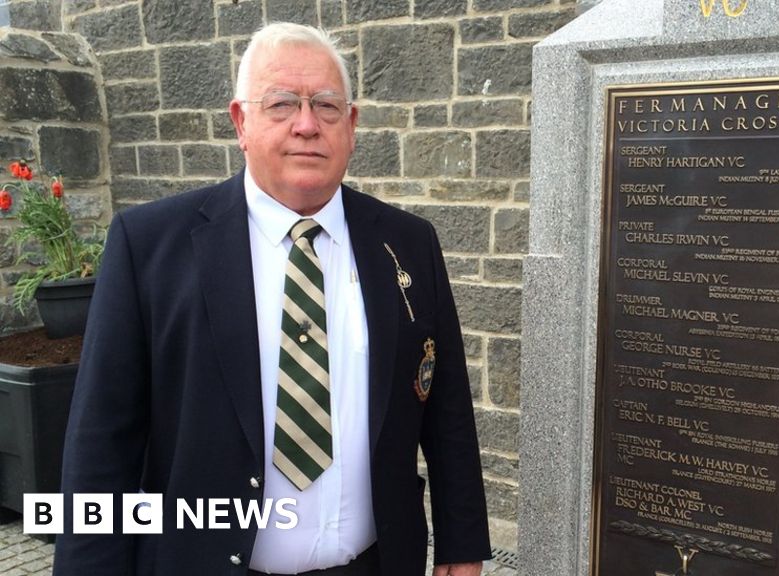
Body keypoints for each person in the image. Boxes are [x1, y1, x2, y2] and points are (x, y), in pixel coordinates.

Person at [53, 22, 490, 576]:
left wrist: (462, 541)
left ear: (351, 126)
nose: (307, 125)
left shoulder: (406, 243)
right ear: (241, 121)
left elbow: (446, 407)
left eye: (327, 106)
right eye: (281, 104)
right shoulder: (149, 247)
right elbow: (100, 445)